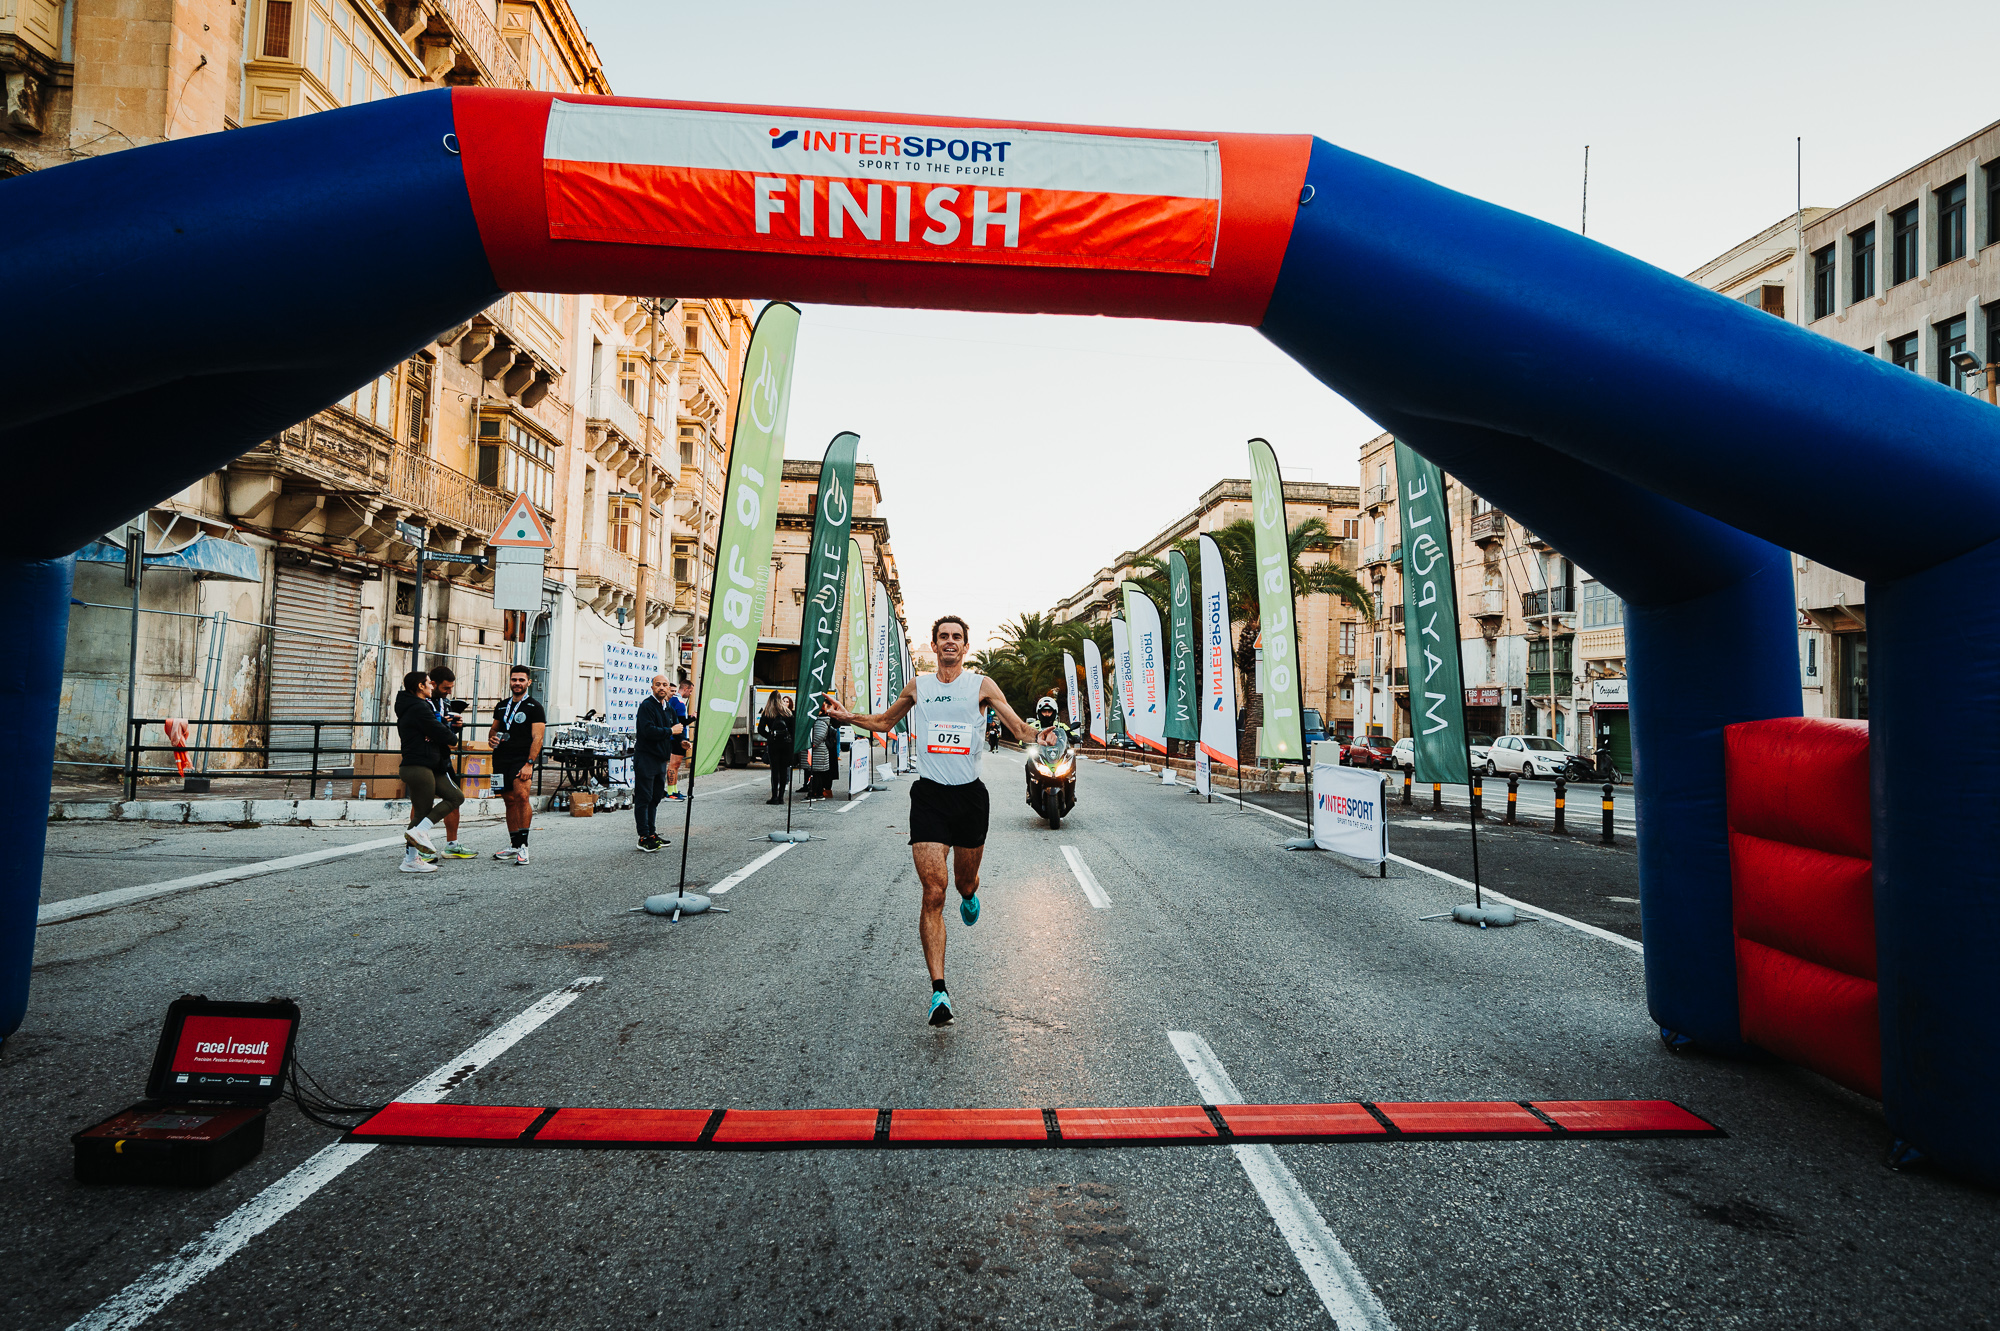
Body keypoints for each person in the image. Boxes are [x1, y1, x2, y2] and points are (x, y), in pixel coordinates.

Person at [824, 614, 1050, 1026]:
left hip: (970, 798)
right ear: (934, 646)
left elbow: (1018, 728)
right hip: (929, 797)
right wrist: (848, 717)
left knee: (963, 883)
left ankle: (970, 893)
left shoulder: (981, 685)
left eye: (956, 637)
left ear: (965, 647)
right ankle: (939, 992)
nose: (949, 642)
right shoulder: (919, 686)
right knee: (933, 891)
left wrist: (1043, 736)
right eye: (943, 636)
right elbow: (884, 722)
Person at [395, 670, 463, 874]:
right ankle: (410, 859)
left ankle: (420, 832)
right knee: (421, 812)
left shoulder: (418, 706)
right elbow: (447, 736)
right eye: (428, 683)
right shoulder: (417, 707)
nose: (432, 686)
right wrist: (443, 732)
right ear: (420, 686)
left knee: (456, 797)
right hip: (418, 765)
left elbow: (437, 730)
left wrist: (437, 731)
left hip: (432, 764)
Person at [487, 664, 545, 864]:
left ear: (529, 682)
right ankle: (514, 845)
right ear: (510, 681)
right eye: (514, 679)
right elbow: (494, 730)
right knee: (509, 801)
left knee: (521, 797)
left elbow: (538, 738)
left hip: (522, 759)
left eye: (521, 680)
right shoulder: (501, 705)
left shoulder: (535, 707)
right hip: (501, 758)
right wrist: (492, 738)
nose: (517, 683)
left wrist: (529, 763)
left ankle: (524, 847)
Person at [420, 665, 475, 860]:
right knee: (422, 803)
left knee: (455, 799)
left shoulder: (446, 703)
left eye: (451, 687)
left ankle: (452, 845)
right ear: (433, 684)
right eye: (446, 688)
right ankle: (419, 847)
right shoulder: (421, 702)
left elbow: (448, 732)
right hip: (424, 758)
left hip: (443, 758)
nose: (449, 691)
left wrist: (456, 726)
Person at [633, 674, 674, 851]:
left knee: (656, 797)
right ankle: (643, 837)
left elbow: (675, 730)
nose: (662, 687)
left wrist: (682, 742)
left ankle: (652, 833)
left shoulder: (668, 707)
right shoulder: (647, 706)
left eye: (665, 684)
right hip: (646, 758)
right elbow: (648, 730)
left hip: (660, 759)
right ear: (652, 687)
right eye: (658, 684)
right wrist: (670, 731)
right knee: (644, 797)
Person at [758, 692, 794, 805]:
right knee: (783, 770)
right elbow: (793, 729)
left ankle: (774, 797)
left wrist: (769, 736)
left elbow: (760, 729)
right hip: (786, 744)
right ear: (780, 699)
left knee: (775, 770)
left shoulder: (767, 712)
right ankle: (781, 797)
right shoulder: (787, 712)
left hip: (773, 745)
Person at [664, 678, 692, 799]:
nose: (673, 693)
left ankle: (674, 790)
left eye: (674, 691)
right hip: (676, 737)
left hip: (680, 736)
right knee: (673, 764)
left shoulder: (677, 701)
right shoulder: (676, 701)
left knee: (676, 764)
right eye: (690, 691)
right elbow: (681, 722)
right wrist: (693, 718)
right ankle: (670, 792)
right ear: (685, 688)